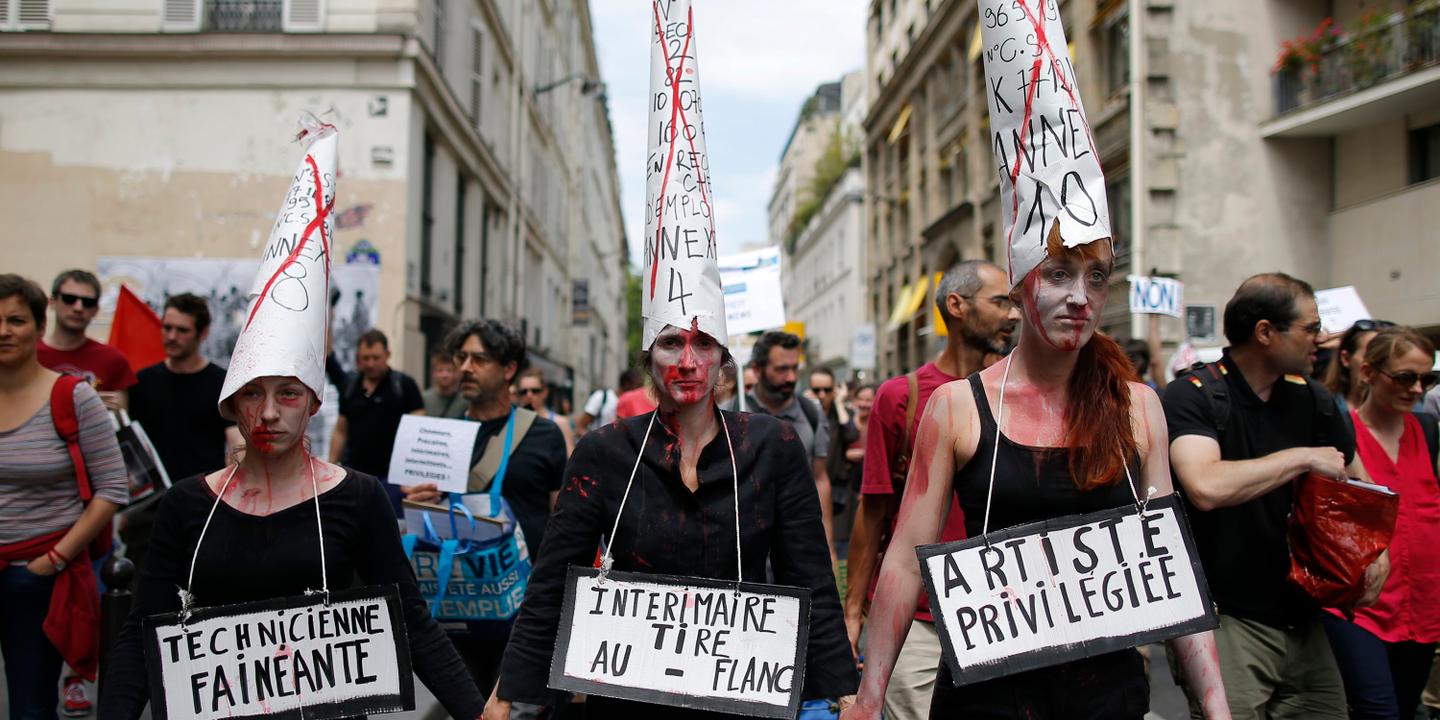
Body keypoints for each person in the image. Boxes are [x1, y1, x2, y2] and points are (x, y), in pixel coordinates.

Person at [99, 123, 486, 719]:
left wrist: (477, 711)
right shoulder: (186, 507)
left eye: (288, 394)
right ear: (231, 403)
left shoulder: (358, 501)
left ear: (313, 403)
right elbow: (141, 634)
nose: (270, 413)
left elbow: (412, 622)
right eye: (253, 395)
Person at [845, 233, 1228, 720]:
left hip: (1106, 697)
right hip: (988, 699)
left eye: (1097, 278)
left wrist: (1216, 704)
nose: (1079, 297)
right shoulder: (957, 407)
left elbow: (1168, 563)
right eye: (1059, 274)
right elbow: (905, 560)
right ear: (1022, 286)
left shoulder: (1139, 408)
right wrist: (869, 700)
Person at [485, 323, 859, 718]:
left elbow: (809, 574)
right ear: (648, 357)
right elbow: (551, 581)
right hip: (627, 696)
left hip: (737, 694)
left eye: (703, 343)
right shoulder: (604, 451)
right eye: (670, 344)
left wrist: (845, 693)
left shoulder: (772, 446)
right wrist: (506, 694)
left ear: (723, 359)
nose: (687, 361)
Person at [1165, 273, 1387, 719]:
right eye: (1310, 328)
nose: (1321, 340)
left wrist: (1374, 552)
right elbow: (1206, 486)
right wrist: (1302, 457)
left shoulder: (1316, 400)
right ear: (1266, 332)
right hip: (1227, 619)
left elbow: (1358, 488)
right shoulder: (1194, 395)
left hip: (1304, 616)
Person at [843, 259, 1019, 719]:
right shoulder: (900, 397)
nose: (1014, 315)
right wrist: (854, 612)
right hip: (917, 623)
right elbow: (875, 509)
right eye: (1001, 301)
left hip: (1004, 615)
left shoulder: (1023, 393)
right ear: (956, 306)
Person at [0, 274, 129, 720]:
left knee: (30, 707)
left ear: (39, 326)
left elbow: (113, 488)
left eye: (16, 320)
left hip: (35, 578)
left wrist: (53, 561)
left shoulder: (73, 397)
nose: (3, 331)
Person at [1320, 326, 1440, 719]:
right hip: (1360, 603)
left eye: (1428, 378)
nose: (1418, 389)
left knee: (1406, 707)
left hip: (1422, 602)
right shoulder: (1342, 435)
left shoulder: (1429, 430)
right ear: (1368, 373)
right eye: (1406, 377)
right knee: (1378, 709)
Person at [125, 293, 242, 568]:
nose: (172, 336)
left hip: (202, 508)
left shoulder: (220, 382)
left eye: (182, 330)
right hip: (147, 512)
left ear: (202, 333)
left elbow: (237, 443)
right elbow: (128, 449)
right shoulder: (142, 382)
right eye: (167, 328)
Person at [746, 330, 838, 554]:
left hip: (798, 544)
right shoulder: (730, 411)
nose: (791, 377)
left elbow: (820, 478)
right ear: (757, 370)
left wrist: (828, 546)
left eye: (795, 368)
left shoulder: (812, 414)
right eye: (781, 369)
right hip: (746, 546)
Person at [329, 329, 424, 509]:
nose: (371, 363)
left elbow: (418, 430)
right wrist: (331, 465)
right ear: (358, 357)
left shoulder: (404, 385)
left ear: (387, 355)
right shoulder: (350, 386)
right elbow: (341, 429)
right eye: (365, 358)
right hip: (354, 475)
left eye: (376, 357)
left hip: (391, 480)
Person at [38, 269, 136, 412]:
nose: (78, 308)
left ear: (96, 309)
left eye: (88, 302)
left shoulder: (112, 359)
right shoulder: (27, 354)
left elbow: (120, 418)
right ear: (52, 302)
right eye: (69, 299)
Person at [810, 368, 858, 550]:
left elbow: (852, 434)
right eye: (816, 390)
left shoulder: (840, 414)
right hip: (810, 489)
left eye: (827, 390)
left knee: (837, 544)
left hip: (837, 491)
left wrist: (839, 403)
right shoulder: (805, 413)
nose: (822, 395)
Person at [1323, 319, 1395, 412]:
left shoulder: (1414, 412)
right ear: (1346, 359)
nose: (1381, 365)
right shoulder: (1324, 410)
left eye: (1389, 357)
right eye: (1371, 355)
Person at [516, 367, 576, 456]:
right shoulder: (513, 422)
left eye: (535, 391)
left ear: (545, 392)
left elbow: (570, 459)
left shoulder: (560, 422)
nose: (529, 395)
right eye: (524, 392)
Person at [576, 368, 640, 436]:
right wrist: (595, 442)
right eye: (638, 385)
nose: (640, 390)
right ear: (627, 384)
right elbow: (580, 427)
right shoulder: (601, 397)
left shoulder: (633, 404)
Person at [423, 347, 468, 419]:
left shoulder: (465, 400)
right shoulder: (424, 398)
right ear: (433, 373)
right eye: (440, 370)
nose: (444, 375)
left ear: (456, 373)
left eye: (449, 370)